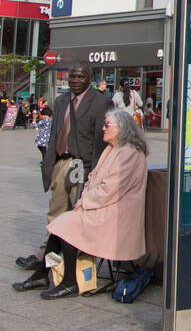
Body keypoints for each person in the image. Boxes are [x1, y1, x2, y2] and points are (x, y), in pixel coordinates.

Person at [13, 108, 148, 298]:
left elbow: (111, 189)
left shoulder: (129, 153)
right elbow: (93, 179)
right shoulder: (113, 149)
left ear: (122, 128)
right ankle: (43, 274)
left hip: (118, 214)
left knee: (68, 225)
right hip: (105, 206)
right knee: (60, 225)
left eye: (107, 125)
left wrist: (84, 202)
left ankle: (68, 281)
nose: (103, 128)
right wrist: (85, 199)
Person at [14, 62, 108, 271]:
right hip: (61, 162)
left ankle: (71, 260)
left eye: (80, 77)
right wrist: (50, 163)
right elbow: (56, 131)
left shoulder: (100, 102)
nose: (75, 81)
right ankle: (45, 256)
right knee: (56, 211)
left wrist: (94, 173)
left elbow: (100, 141)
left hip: (82, 165)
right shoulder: (61, 100)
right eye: (72, 77)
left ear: (89, 78)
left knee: (76, 213)